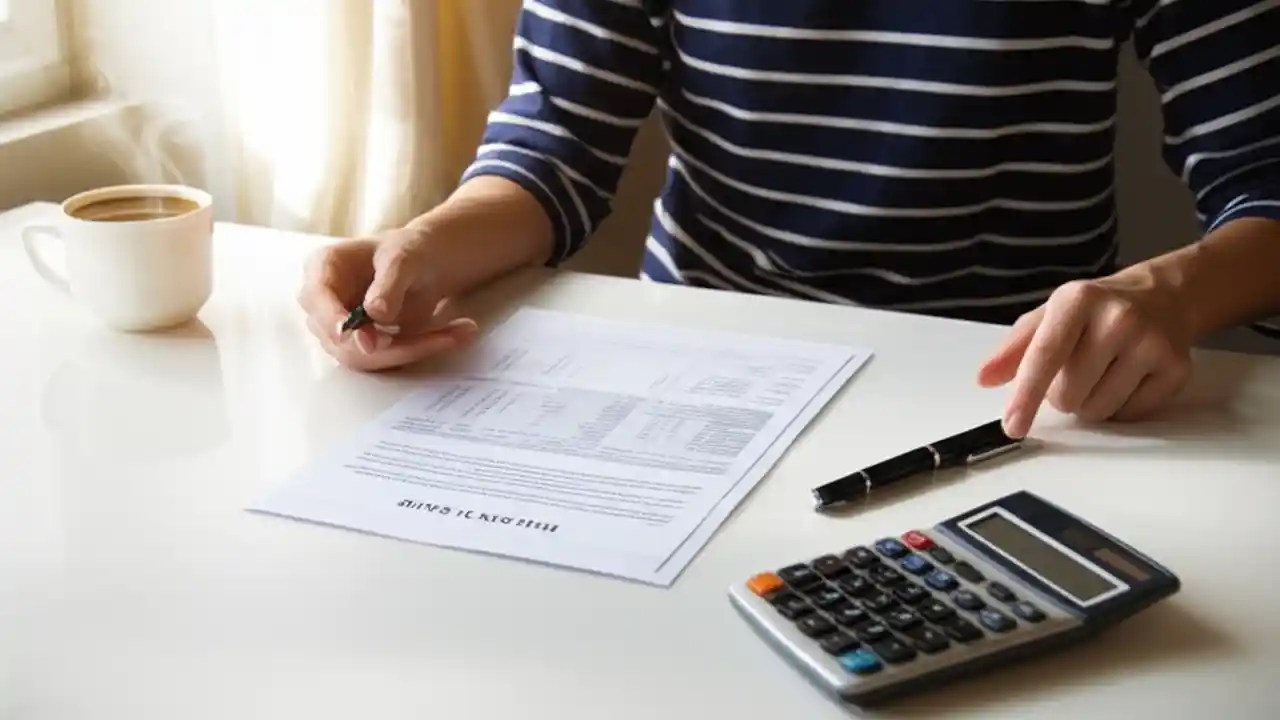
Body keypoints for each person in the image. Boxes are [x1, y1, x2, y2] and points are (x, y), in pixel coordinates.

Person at [298, 0, 1280, 439]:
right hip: (698, 385)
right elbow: (558, 140)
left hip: (1012, 392)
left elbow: (1263, 179)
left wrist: (1173, 290)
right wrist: (425, 246)